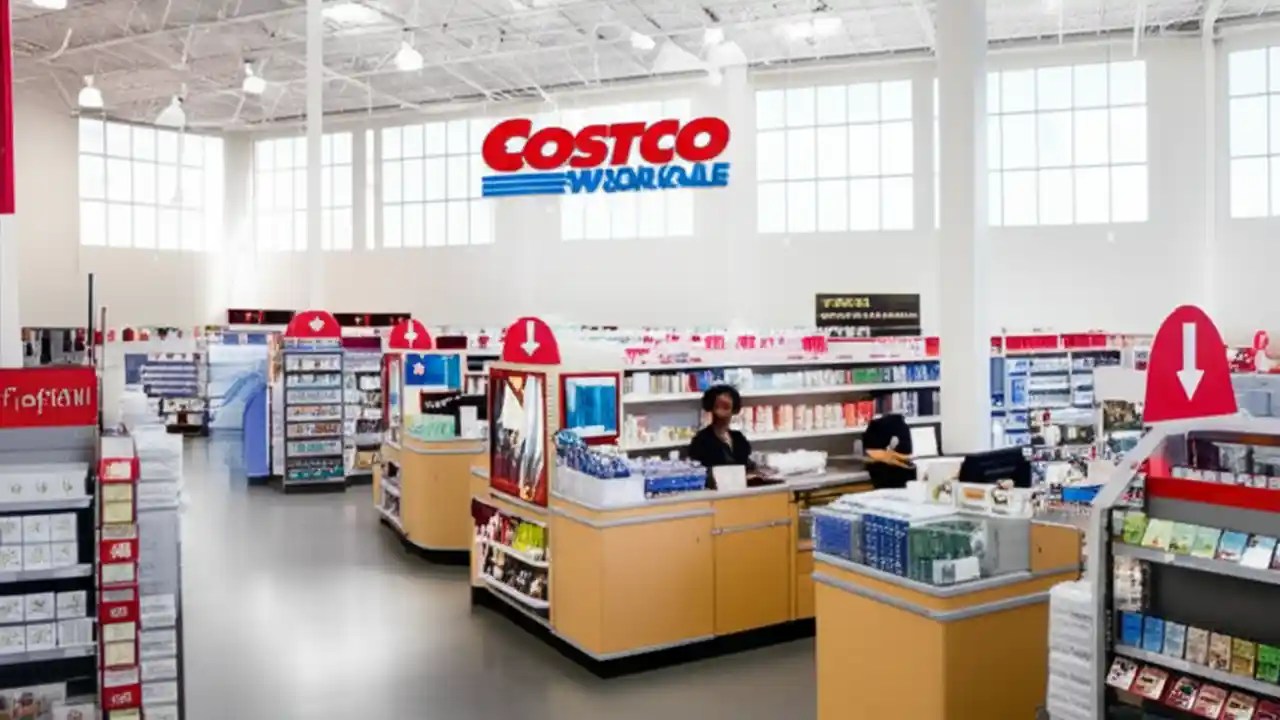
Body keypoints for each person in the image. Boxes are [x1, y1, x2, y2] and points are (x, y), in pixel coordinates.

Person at [687, 384, 757, 474]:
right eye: (718, 406)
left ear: (734, 409)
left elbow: (747, 465)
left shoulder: (738, 438)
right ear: (711, 408)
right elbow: (698, 470)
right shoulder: (701, 439)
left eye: (726, 407)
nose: (721, 412)